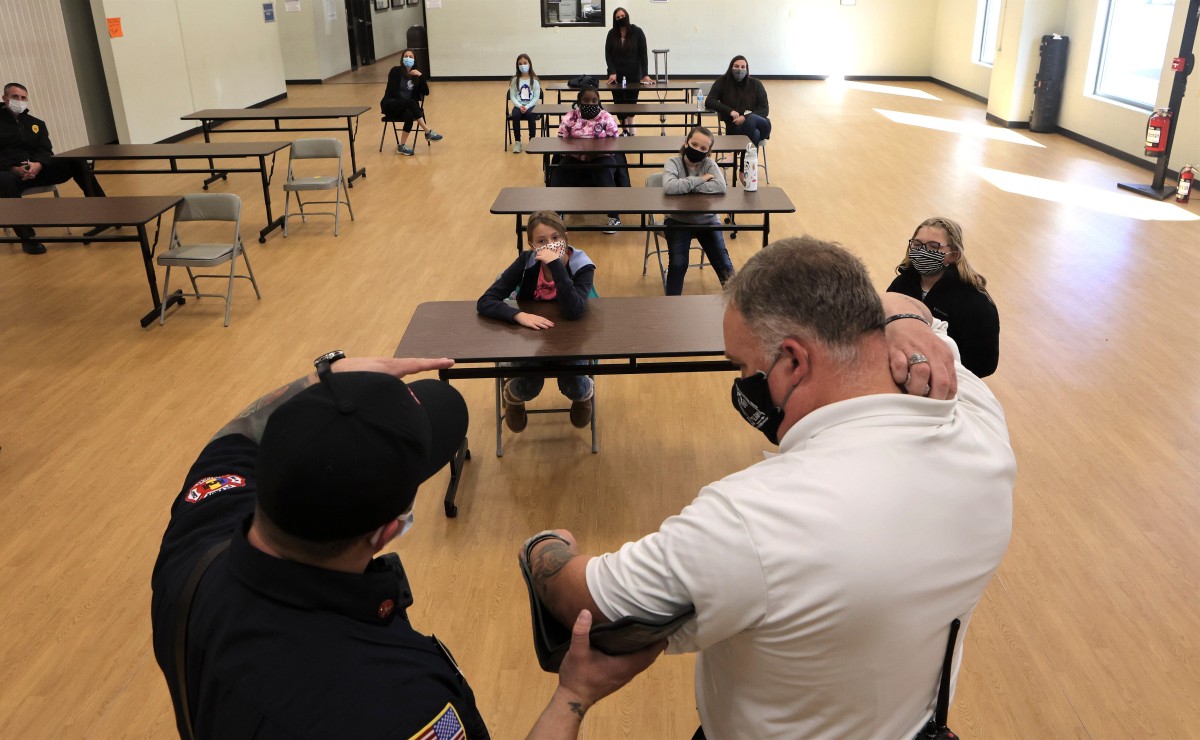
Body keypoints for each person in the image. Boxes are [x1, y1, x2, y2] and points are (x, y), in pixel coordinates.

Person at [524, 237, 1016, 738]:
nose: (742, 381)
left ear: (795, 362)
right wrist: (907, 322)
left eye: (744, 366)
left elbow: (591, 600)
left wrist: (544, 550)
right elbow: (903, 306)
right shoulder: (975, 413)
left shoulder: (754, 519)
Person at [151, 353, 659, 740]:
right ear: (388, 531)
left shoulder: (195, 541)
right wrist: (573, 694)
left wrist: (327, 380)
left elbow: (236, 434)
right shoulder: (400, 703)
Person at [477, 211, 596, 432]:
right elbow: (485, 301)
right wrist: (518, 315)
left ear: (565, 237)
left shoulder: (582, 265)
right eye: (541, 241)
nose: (550, 245)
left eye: (555, 238)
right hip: (531, 343)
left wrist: (557, 267)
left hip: (572, 342)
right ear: (532, 245)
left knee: (574, 385)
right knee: (529, 385)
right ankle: (513, 396)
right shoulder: (526, 262)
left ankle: (584, 395)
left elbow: (574, 311)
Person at [0, 82, 107, 255]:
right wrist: (13, 168)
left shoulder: (37, 124)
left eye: (23, 98)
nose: (20, 101)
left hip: (37, 170)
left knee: (76, 161)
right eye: (15, 97)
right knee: (3, 180)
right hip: (9, 174)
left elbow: (45, 149)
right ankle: (28, 239)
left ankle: (104, 213)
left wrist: (38, 165)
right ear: (5, 99)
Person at [887, 217, 1000, 378]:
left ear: (953, 255)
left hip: (948, 380)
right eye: (917, 245)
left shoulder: (975, 302)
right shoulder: (902, 284)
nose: (922, 251)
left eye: (934, 246)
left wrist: (937, 367)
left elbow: (984, 363)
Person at [660, 126, 735, 295]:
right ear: (686, 142)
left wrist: (685, 186)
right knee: (678, 263)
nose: (697, 150)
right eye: (694, 144)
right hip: (677, 220)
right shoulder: (673, 162)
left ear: (708, 152)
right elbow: (670, 187)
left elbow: (721, 186)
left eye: (703, 148)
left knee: (724, 264)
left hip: (707, 220)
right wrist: (700, 180)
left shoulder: (709, 163)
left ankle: (740, 305)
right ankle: (671, 306)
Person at [552, 87, 623, 232]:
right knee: (559, 173)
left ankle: (614, 216)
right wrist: (578, 151)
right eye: (586, 100)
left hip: (601, 158)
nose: (590, 103)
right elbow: (561, 139)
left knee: (604, 175)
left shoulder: (606, 118)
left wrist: (597, 152)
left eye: (594, 100)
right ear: (579, 101)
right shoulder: (570, 117)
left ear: (599, 101)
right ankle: (557, 213)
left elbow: (614, 141)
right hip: (575, 157)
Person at [380, 49, 443, 157]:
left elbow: (426, 92)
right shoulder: (395, 71)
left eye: (411, 57)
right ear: (402, 59)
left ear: (414, 60)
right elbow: (393, 92)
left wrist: (421, 76)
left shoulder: (416, 75)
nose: (408, 58)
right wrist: (407, 103)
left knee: (409, 115)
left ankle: (402, 146)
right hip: (391, 105)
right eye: (406, 56)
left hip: (406, 108)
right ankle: (428, 131)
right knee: (410, 102)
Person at [604, 6, 653, 135]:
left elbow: (643, 54)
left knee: (631, 101)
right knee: (619, 102)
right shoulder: (611, 33)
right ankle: (624, 130)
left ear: (627, 16)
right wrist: (612, 72)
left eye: (622, 16)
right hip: (616, 74)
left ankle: (632, 128)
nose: (621, 19)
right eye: (618, 17)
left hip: (633, 73)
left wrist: (645, 74)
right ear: (615, 20)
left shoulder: (638, 32)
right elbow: (608, 55)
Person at [705, 56, 771, 147]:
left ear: (747, 69)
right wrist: (729, 111)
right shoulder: (722, 82)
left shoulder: (756, 83)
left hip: (761, 125)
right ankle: (747, 161)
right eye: (736, 66)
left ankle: (733, 155)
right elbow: (709, 101)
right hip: (734, 127)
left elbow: (764, 110)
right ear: (731, 67)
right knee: (755, 134)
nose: (740, 70)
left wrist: (744, 117)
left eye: (743, 67)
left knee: (751, 118)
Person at [510, 53, 541, 154]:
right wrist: (519, 106)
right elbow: (512, 96)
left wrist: (527, 106)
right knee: (515, 115)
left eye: (525, 63)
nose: (523, 65)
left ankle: (532, 140)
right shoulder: (515, 80)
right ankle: (518, 142)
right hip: (518, 105)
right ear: (517, 66)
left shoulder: (534, 80)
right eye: (520, 64)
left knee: (530, 115)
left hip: (531, 105)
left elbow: (536, 97)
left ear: (529, 64)